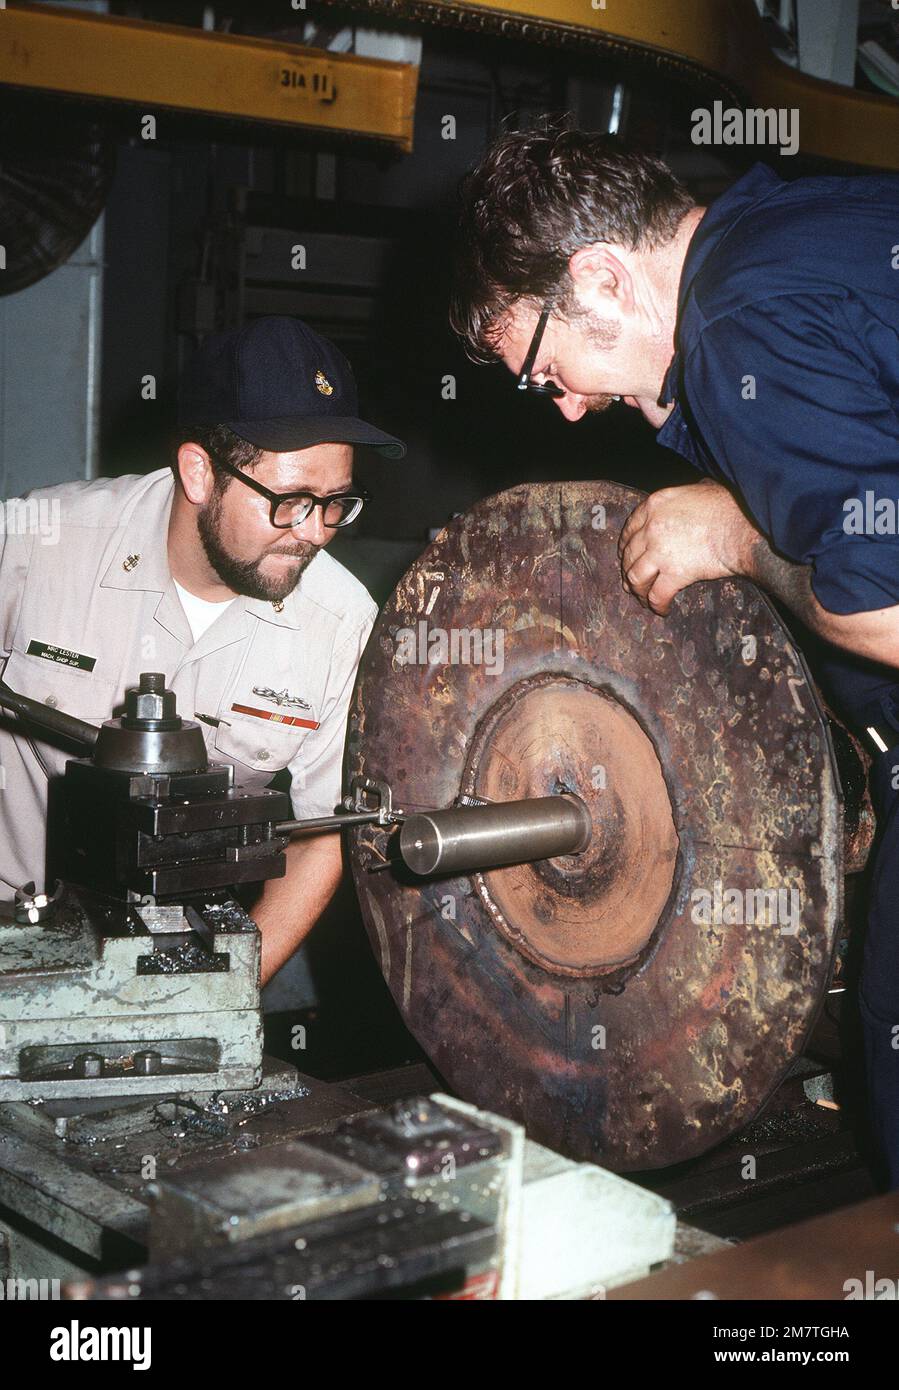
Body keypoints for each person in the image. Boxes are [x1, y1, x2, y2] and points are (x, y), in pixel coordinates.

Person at [451, 124, 899, 1185]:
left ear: (600, 275)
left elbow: (889, 609)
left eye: (540, 368)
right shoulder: (794, 222)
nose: (564, 404)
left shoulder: (739, 324)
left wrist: (733, 538)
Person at [0, 314, 404, 984]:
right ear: (199, 472)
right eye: (291, 501)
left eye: (336, 503)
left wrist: (220, 997)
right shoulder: (34, 546)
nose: (314, 534)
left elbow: (323, 839)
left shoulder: (339, 625)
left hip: (174, 958)